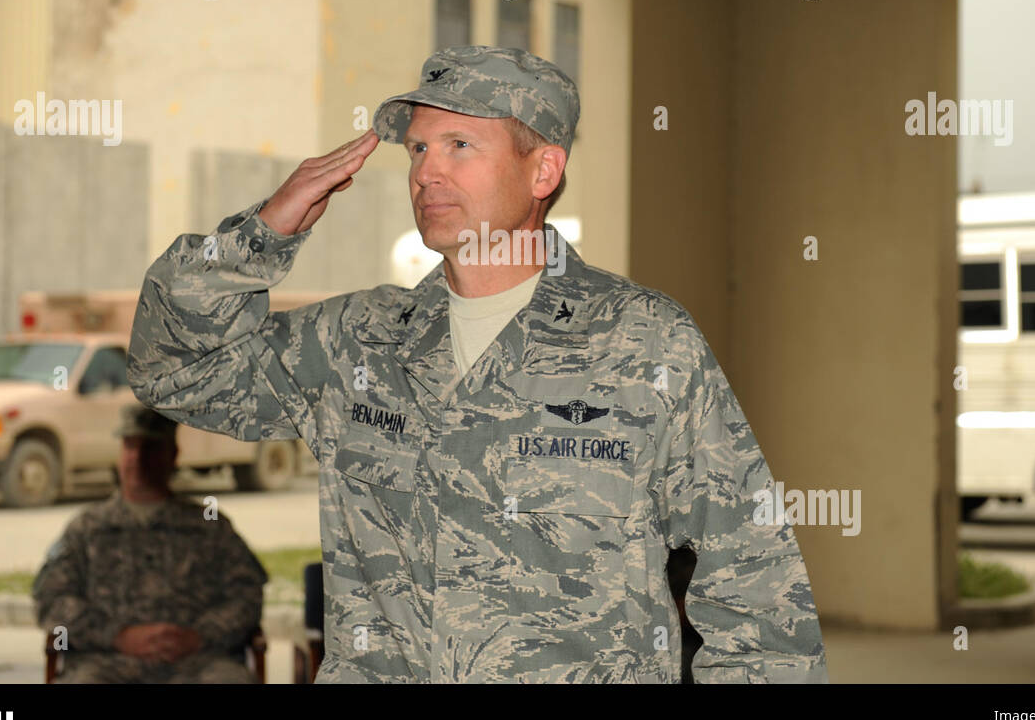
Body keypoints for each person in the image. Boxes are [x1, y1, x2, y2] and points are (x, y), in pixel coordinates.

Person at [127, 45, 828, 683]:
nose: (427, 169)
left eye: (461, 145)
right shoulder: (358, 343)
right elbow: (171, 370)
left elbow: (759, 594)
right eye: (418, 149)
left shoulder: (645, 342)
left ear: (543, 169)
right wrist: (262, 234)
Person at [32, 403, 267, 683]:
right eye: (131, 446)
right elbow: (52, 599)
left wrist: (199, 636)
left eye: (151, 448)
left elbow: (247, 595)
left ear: (173, 455)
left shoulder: (210, 527)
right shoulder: (87, 528)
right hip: (108, 663)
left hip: (199, 662)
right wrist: (118, 636)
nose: (138, 458)